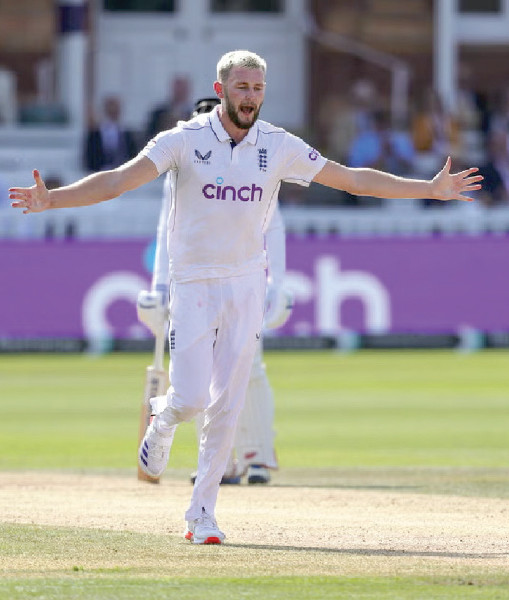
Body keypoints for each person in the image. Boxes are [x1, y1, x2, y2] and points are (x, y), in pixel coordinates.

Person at [9, 50, 482, 546]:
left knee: (228, 404)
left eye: (257, 89)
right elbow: (120, 180)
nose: (250, 97)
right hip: (193, 281)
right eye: (241, 88)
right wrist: (53, 199)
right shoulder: (184, 140)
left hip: (245, 282)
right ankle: (164, 414)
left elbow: (352, 179)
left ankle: (202, 514)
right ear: (221, 90)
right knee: (191, 398)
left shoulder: (277, 145)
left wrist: (428, 189)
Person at [136, 97, 288, 487]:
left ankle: (256, 455)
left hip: (243, 282)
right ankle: (222, 462)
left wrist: (278, 283)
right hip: (196, 285)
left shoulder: (256, 161)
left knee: (247, 371)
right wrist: (158, 289)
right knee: (200, 380)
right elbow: (166, 233)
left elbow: (274, 227)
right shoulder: (183, 163)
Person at [84, 95, 138, 172]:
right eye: (110, 111)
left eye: (115, 110)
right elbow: (89, 157)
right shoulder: (94, 134)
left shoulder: (126, 134)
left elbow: (132, 155)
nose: (113, 113)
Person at [145, 75, 193, 141]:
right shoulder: (158, 114)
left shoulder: (195, 114)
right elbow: (150, 136)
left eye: (183, 89)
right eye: (178, 88)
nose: (180, 91)